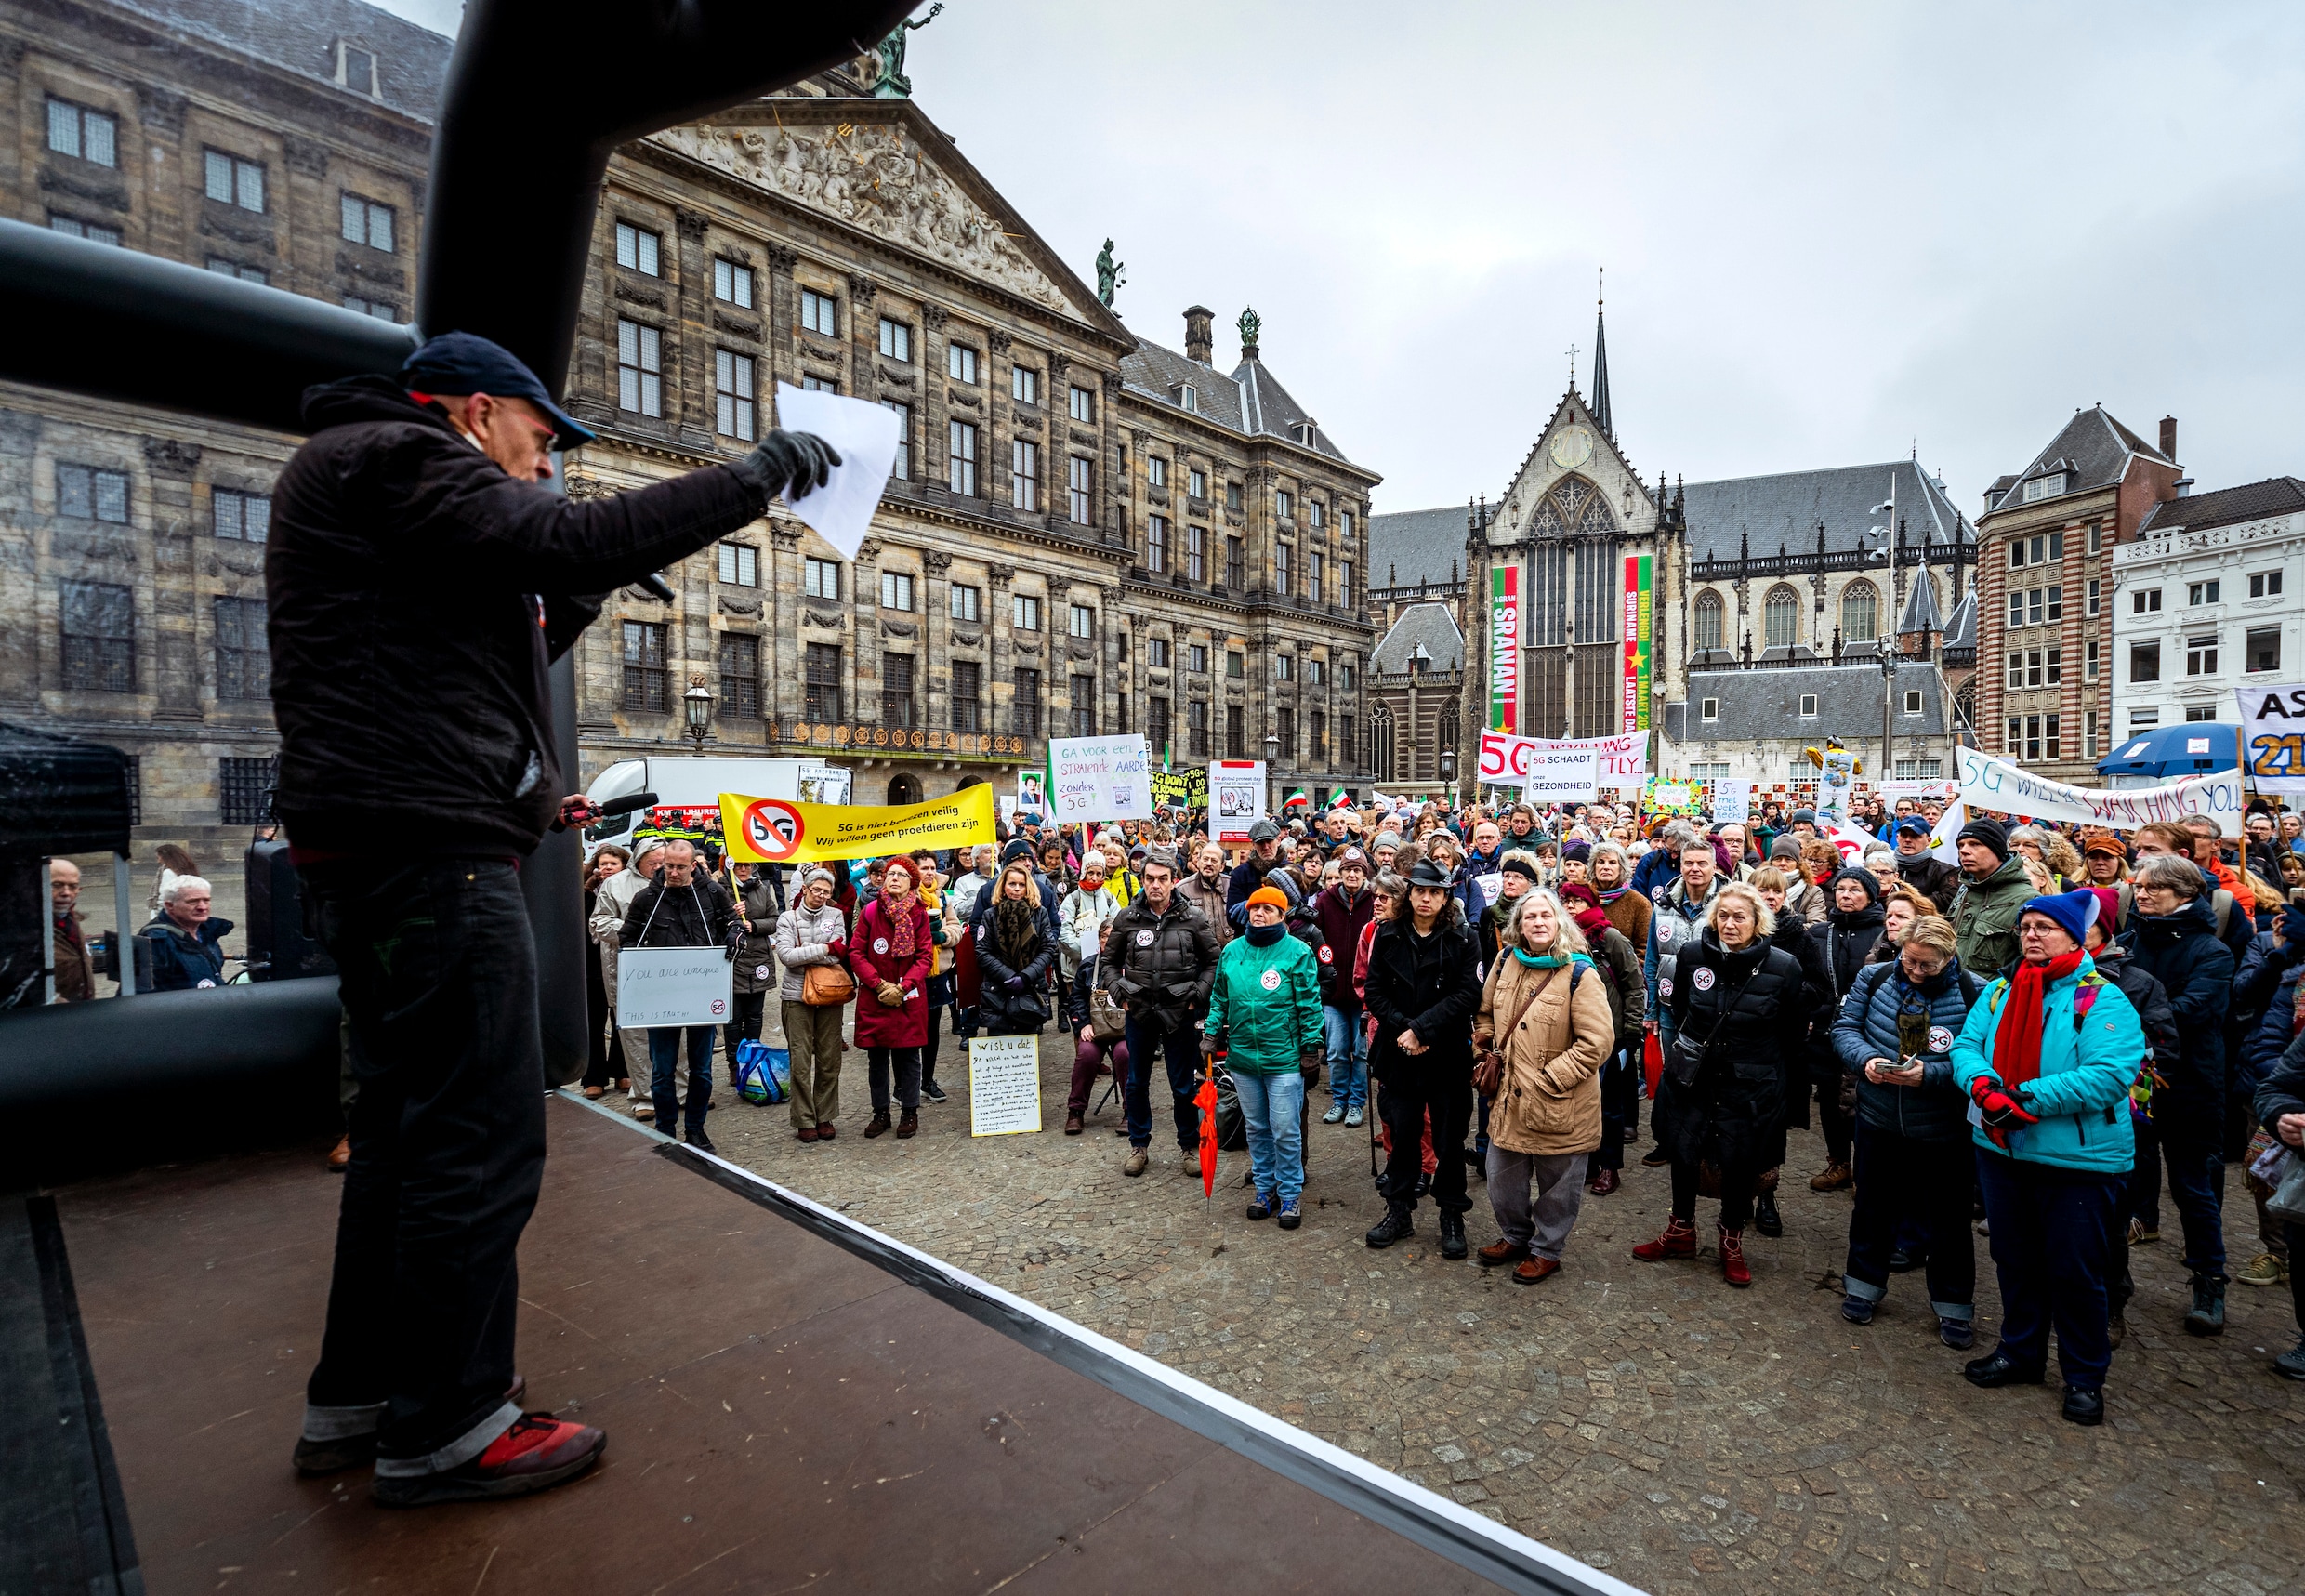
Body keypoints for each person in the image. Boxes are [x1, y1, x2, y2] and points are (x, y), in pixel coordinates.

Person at [1951, 890, 2144, 1427]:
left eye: (2045, 927)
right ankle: (2021, 1351)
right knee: (2015, 1259)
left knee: (2075, 1271)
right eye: (2026, 927)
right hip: (2001, 1147)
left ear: (2074, 936)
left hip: (2075, 1160)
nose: (2032, 936)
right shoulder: (1999, 989)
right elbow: (1966, 1046)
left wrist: (2024, 1098)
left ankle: (2084, 1376)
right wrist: (1985, 1089)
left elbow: (2108, 1075)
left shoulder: (2101, 998)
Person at [1633, 881, 1805, 1288]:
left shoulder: (1784, 967)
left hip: (1750, 1081)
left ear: (1757, 921)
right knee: (1684, 1150)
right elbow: (1680, 1005)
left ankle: (1731, 1240)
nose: (1730, 924)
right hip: (1694, 1077)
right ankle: (1680, 1231)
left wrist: (1783, 1092)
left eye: (1739, 917)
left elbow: (1792, 1032)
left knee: (1737, 1159)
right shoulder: (1693, 955)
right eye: (1723, 916)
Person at [1832, 915, 1982, 1345]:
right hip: (1878, 1117)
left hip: (1942, 1127)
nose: (1915, 971)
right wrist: (1866, 1061)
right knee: (1873, 1208)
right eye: (1910, 961)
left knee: (1949, 1219)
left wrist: (1930, 1075)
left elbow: (1979, 1055)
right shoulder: (1875, 978)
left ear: (1949, 958)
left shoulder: (1975, 992)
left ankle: (1954, 1306)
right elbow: (1844, 1029)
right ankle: (1862, 1286)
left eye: (1927, 966)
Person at [2118, 853, 2238, 1333]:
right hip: (2134, 1079)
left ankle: (2209, 1279)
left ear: (2185, 895)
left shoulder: (2212, 952)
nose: (2141, 894)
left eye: (2153, 888)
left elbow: (2190, 1011)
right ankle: (2114, 1281)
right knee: (2127, 1176)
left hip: (2190, 1080)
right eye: (2140, 886)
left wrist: (2127, 1023)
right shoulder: (2130, 941)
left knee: (2193, 1185)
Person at [1472, 890, 1613, 1282]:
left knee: (1558, 1185)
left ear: (1559, 923)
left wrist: (1551, 1078)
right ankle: (1515, 1236)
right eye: (1530, 916)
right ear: (1518, 924)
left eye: (1546, 916)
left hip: (1559, 1100)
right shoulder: (1505, 961)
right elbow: (1485, 1015)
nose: (1538, 922)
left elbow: (1597, 1042)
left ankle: (1547, 1249)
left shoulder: (1580, 973)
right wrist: (1483, 1053)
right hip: (1507, 1097)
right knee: (1501, 1177)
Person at [1363, 859, 1485, 1257]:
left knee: (1450, 1140)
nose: (1426, 898)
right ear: (1409, 894)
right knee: (1401, 1135)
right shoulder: (1388, 935)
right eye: (1419, 891)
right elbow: (1375, 990)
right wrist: (1405, 1029)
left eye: (1434, 891)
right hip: (1400, 1052)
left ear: (1446, 895)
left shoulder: (1464, 937)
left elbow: (1468, 994)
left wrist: (1423, 1030)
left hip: (1446, 1053)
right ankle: (1398, 1210)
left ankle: (1451, 1214)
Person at [1205, 885, 1324, 1229]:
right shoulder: (1232, 951)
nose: (1259, 914)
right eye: (1255, 908)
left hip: (1284, 1059)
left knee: (1285, 1129)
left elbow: (1308, 1003)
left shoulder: (1297, 952)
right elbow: (1220, 997)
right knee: (1256, 1128)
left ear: (1282, 916)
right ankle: (1264, 1187)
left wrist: (1309, 1048)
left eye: (1268, 909)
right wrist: (1212, 1032)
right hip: (1243, 1058)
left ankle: (1289, 1193)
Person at [1101, 849, 1223, 1176]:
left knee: (1183, 1086)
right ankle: (1139, 1146)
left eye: (1162, 879)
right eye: (1150, 879)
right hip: (1139, 1011)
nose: (1155, 885)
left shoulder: (1192, 917)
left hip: (1179, 1011)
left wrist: (1198, 994)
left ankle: (1187, 1147)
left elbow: (1214, 961)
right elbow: (1109, 963)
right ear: (1142, 881)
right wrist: (1119, 992)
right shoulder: (1127, 918)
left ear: (1173, 881)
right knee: (1137, 1084)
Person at [620, 840, 734, 1153]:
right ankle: (665, 1130)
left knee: (701, 1069)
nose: (672, 872)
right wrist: (640, 964)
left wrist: (735, 934)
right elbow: (626, 938)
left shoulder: (712, 893)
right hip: (662, 997)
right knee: (662, 1070)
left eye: (680, 867)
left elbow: (731, 923)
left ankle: (695, 1129)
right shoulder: (646, 899)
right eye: (668, 865)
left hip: (702, 993)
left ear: (693, 866)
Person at [1559, 880, 1644, 1194]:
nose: (1569, 906)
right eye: (1565, 900)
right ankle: (1588, 1163)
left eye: (1576, 901)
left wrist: (1632, 1033)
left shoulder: (1610, 938)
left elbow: (1634, 985)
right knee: (1582, 1103)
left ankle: (1609, 1167)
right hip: (1572, 1034)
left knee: (1609, 1104)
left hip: (1611, 1034)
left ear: (1591, 903)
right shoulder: (1560, 938)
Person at [1807, 868, 1887, 1194]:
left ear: (1870, 894)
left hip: (1868, 1030)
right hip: (1828, 1028)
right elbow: (1812, 980)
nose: (1845, 895)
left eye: (1855, 889)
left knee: (1862, 1099)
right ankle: (1838, 1162)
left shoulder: (1883, 932)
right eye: (1840, 889)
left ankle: (1867, 1167)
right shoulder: (1821, 933)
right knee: (1828, 1097)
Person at [851, 856, 935, 1140]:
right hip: (876, 997)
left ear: (911, 882)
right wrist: (878, 985)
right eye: (890, 874)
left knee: (910, 1057)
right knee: (877, 1058)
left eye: (901, 874)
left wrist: (903, 987)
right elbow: (856, 953)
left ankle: (910, 1111)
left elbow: (925, 956)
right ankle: (881, 1112)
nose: (894, 878)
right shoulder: (871, 911)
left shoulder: (919, 914)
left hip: (908, 997)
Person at [590, 834, 666, 1117]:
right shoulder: (616, 884)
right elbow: (598, 922)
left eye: (664, 862)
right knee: (636, 1038)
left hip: (672, 975)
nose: (659, 868)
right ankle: (645, 1097)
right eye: (653, 862)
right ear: (638, 861)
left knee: (679, 1036)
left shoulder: (680, 883)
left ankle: (681, 1092)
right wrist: (637, 932)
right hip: (628, 973)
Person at [774, 866, 850, 1143]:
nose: (820, 895)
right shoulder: (787, 918)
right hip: (796, 996)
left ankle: (825, 1114)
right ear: (804, 889)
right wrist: (826, 949)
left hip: (830, 993)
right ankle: (804, 1118)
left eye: (826, 892)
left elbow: (840, 953)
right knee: (801, 1060)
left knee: (830, 1058)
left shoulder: (836, 915)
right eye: (816, 889)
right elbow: (785, 955)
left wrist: (812, 952)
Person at [1312, 847, 1376, 1126]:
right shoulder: (1325, 901)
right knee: (1337, 1049)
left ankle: (1356, 1102)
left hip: (1364, 994)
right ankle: (1339, 1100)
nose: (1353, 874)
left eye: (1358, 870)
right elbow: (1314, 938)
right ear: (1340, 873)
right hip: (1333, 993)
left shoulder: (1374, 900)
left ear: (1365, 874)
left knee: (1361, 1051)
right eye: (1348, 869)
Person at [1951, 816, 2033, 980]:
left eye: (1975, 844)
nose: (1964, 851)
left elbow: (2031, 965)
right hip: (1953, 995)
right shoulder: (1964, 890)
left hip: (1994, 999)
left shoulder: (2025, 899)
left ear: (1997, 850)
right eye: (1961, 845)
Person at [577, 846, 628, 1097]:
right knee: (593, 1022)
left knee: (622, 1019)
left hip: (620, 964)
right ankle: (593, 1077)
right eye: (603, 863)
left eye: (613, 863)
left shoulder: (628, 892)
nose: (607, 868)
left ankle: (622, 1071)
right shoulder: (584, 894)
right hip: (591, 965)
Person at [725, 860, 778, 1087]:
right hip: (734, 961)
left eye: (747, 865)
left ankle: (753, 1060)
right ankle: (734, 1064)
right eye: (739, 866)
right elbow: (714, 922)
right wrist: (732, 916)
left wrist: (754, 925)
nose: (744, 870)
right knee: (734, 1019)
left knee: (755, 1016)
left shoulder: (762, 888)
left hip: (758, 959)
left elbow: (775, 920)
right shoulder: (721, 889)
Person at [142, 874, 230, 990]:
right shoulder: (155, 941)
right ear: (170, 906)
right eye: (193, 901)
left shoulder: (206, 931)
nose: (202, 907)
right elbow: (140, 995)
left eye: (206, 900)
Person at [1591, 841, 1652, 953]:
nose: (1606, 867)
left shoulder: (1639, 903)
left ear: (1621, 868)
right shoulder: (1583, 897)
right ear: (1594, 866)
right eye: (1601, 862)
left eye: (1612, 862)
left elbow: (1645, 948)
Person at [49, 859, 95, 1002]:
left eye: (73, 886)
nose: (66, 893)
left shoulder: (70, 919)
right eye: (57, 885)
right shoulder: (22, 930)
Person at [1891, 817, 1957, 913]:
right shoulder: (1885, 868)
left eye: (1915, 836)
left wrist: (1908, 904)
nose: (1908, 840)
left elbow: (1948, 900)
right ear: (1897, 838)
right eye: (1904, 835)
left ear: (1929, 840)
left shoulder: (1945, 871)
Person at [1175, 840, 1232, 945]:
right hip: (1197, 953)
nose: (1209, 864)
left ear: (1222, 866)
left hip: (1228, 952)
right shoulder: (1182, 889)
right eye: (1205, 859)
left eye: (1214, 860)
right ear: (1198, 861)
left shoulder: (1232, 885)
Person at [150, 840, 200, 914]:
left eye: (159, 857)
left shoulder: (168, 872)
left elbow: (166, 894)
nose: (158, 861)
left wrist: (158, 911)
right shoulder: (188, 871)